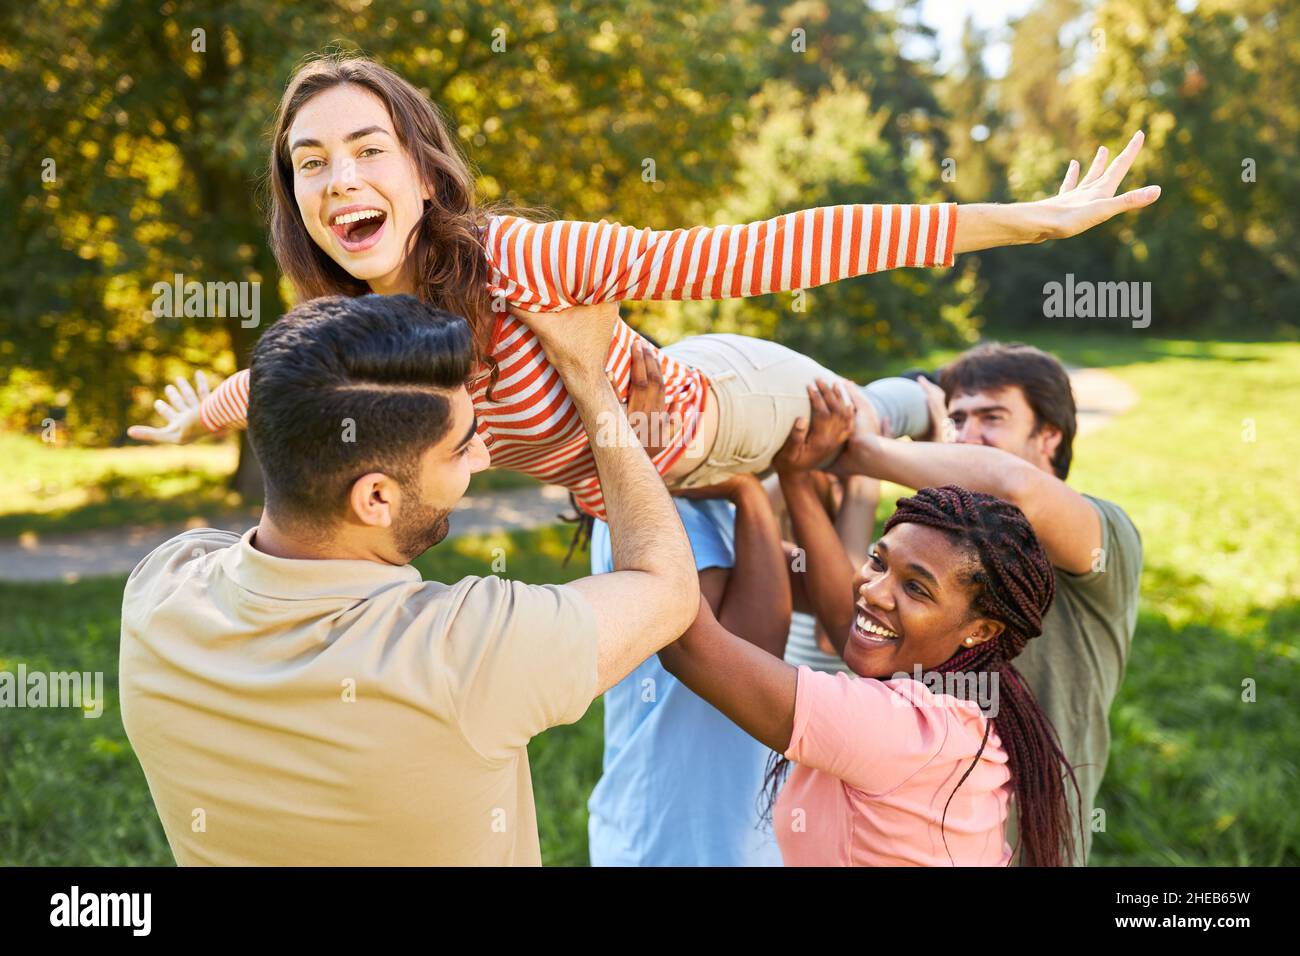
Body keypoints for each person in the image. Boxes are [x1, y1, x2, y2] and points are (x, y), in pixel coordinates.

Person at [130, 52, 1161, 520]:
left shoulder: (521, 260)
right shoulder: (349, 328)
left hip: (717, 411)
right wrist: (194, 421)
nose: (341, 178)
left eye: (366, 148)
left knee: (854, 423)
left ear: (422, 167)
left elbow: (766, 251)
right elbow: (276, 394)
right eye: (311, 162)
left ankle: (926, 393)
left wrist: (1025, 219)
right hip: (627, 484)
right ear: (291, 194)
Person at [119, 294, 700, 866]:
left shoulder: (159, 591)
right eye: (461, 447)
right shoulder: (464, 655)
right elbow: (668, 587)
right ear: (376, 497)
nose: (481, 457)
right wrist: (591, 383)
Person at [657, 381, 1081, 866]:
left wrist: (619, 454)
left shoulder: (903, 730)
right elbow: (843, 620)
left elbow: (691, 650)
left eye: (917, 588)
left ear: (982, 630)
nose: (872, 590)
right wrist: (784, 482)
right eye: (879, 562)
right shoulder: (964, 701)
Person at [833, 343, 1142, 864]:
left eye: (991, 417)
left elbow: (1016, 490)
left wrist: (862, 451)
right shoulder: (937, 548)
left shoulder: (1105, 532)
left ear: (1050, 435)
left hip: (1030, 846)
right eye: (956, 419)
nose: (968, 435)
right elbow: (849, 608)